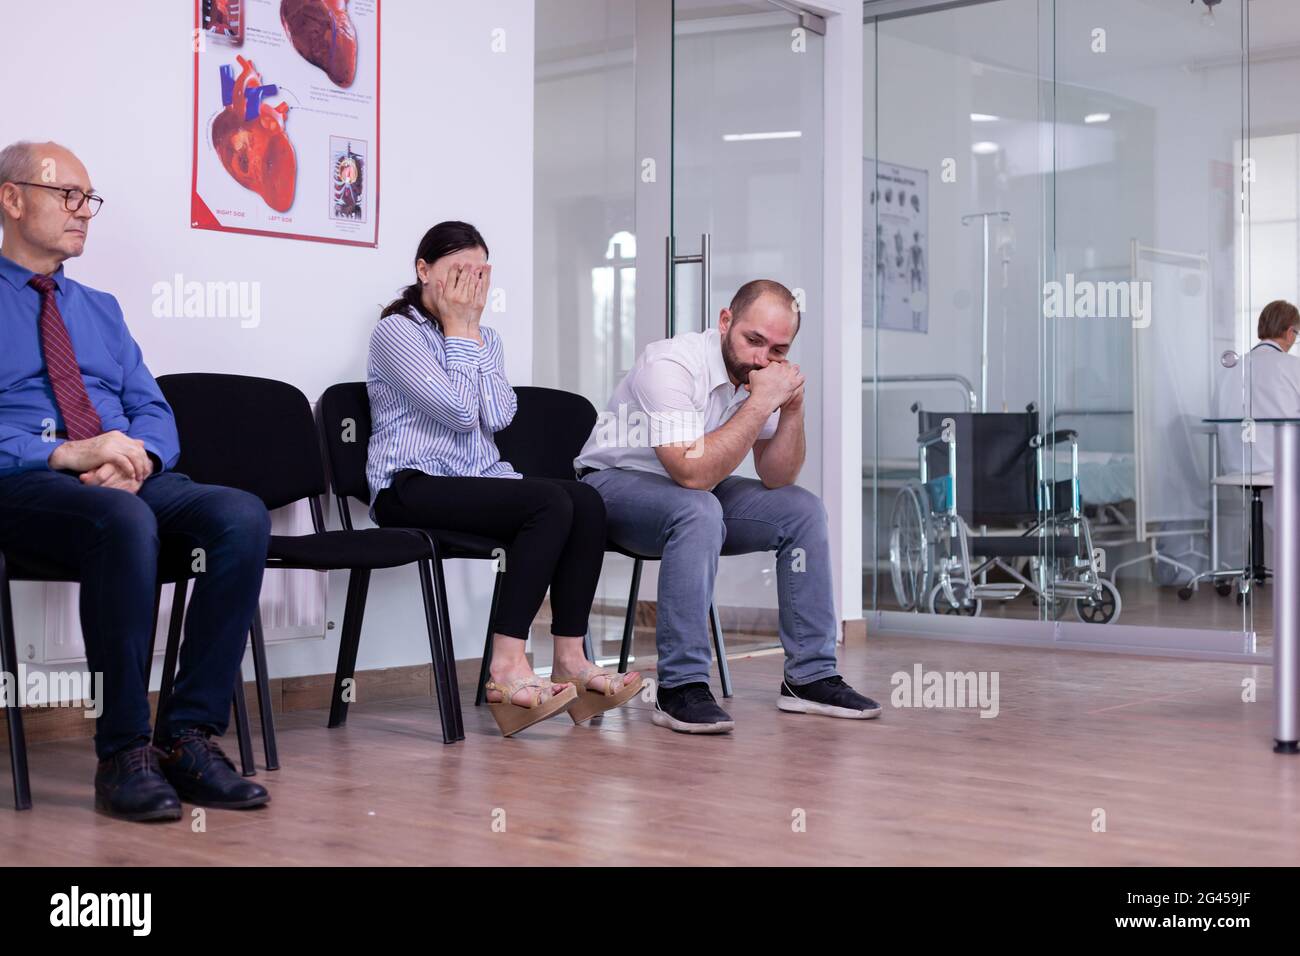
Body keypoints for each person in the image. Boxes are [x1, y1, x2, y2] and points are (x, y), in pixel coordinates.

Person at [0, 140, 271, 820]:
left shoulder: (101, 309)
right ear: (10, 198)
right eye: (67, 195)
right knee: (125, 522)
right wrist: (64, 455)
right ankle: (124, 752)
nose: (83, 212)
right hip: (27, 482)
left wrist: (138, 456)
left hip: (125, 477)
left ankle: (186, 738)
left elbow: (152, 407)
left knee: (240, 515)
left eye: (88, 199)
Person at [367, 221, 641, 737]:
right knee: (548, 503)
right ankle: (505, 668)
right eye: (456, 274)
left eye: (478, 275)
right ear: (423, 271)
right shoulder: (396, 332)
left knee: (584, 501)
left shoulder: (483, 337)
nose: (469, 288)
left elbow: (496, 414)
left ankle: (569, 659)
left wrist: (467, 334)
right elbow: (454, 411)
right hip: (410, 485)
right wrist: (460, 332)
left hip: (475, 482)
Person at [575, 278, 880, 734]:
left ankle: (809, 677)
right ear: (724, 321)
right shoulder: (671, 362)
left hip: (695, 490)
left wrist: (792, 411)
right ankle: (681, 686)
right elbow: (690, 472)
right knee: (697, 509)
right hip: (609, 487)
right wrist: (760, 404)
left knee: (802, 509)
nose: (762, 358)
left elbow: (778, 476)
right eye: (753, 340)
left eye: (777, 349)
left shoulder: (761, 376)